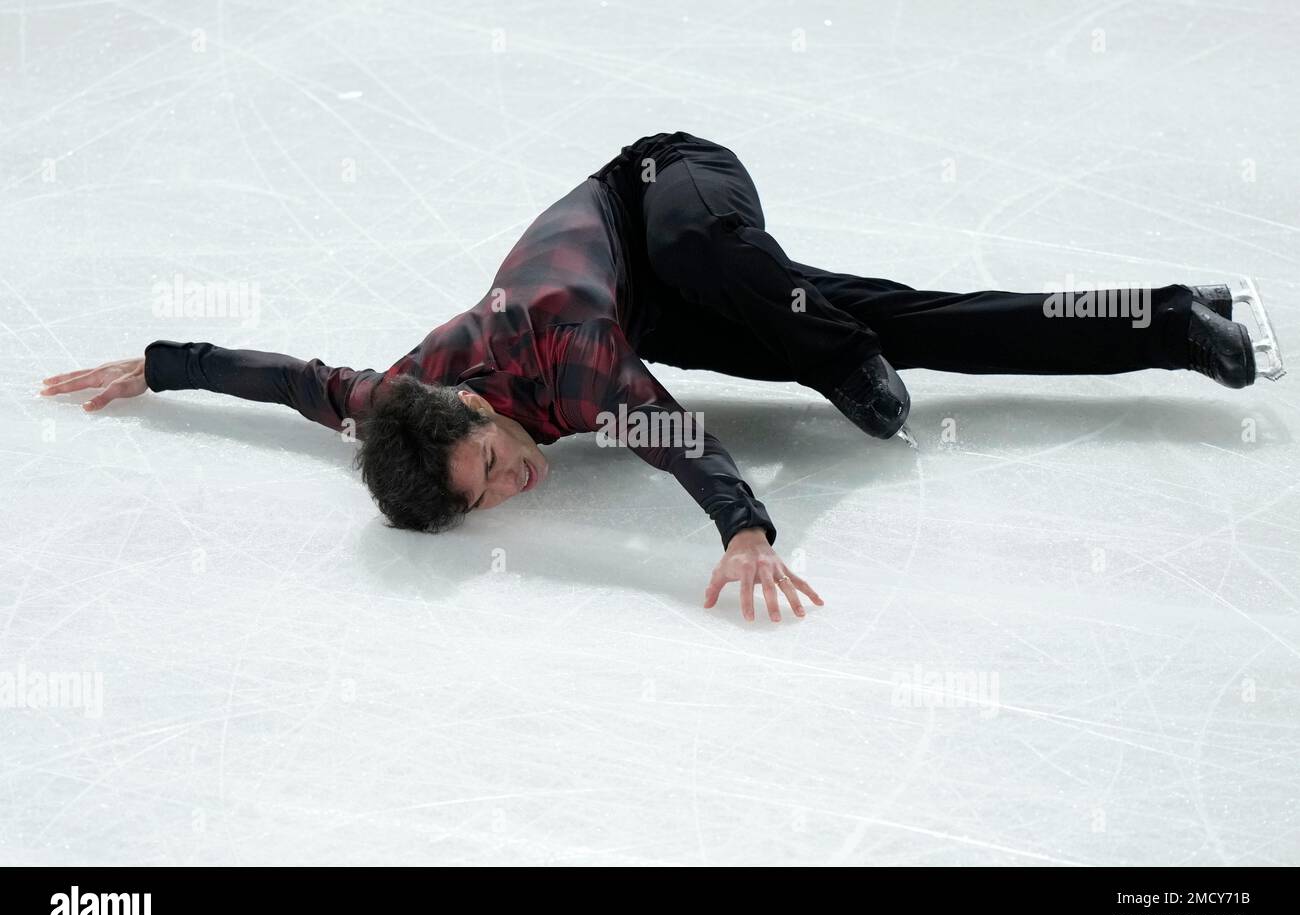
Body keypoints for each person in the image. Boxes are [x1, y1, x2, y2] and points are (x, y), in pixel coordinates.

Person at [40, 131, 1269, 624]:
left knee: (759, 285)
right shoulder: (403, 399)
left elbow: (669, 433)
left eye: (493, 466)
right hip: (674, 293)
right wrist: (164, 364)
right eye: (488, 499)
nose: (516, 485)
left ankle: (833, 353)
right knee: (914, 319)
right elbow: (300, 380)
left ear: (476, 406)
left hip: (671, 185)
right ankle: (1170, 315)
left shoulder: (569, 348)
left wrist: (741, 527)